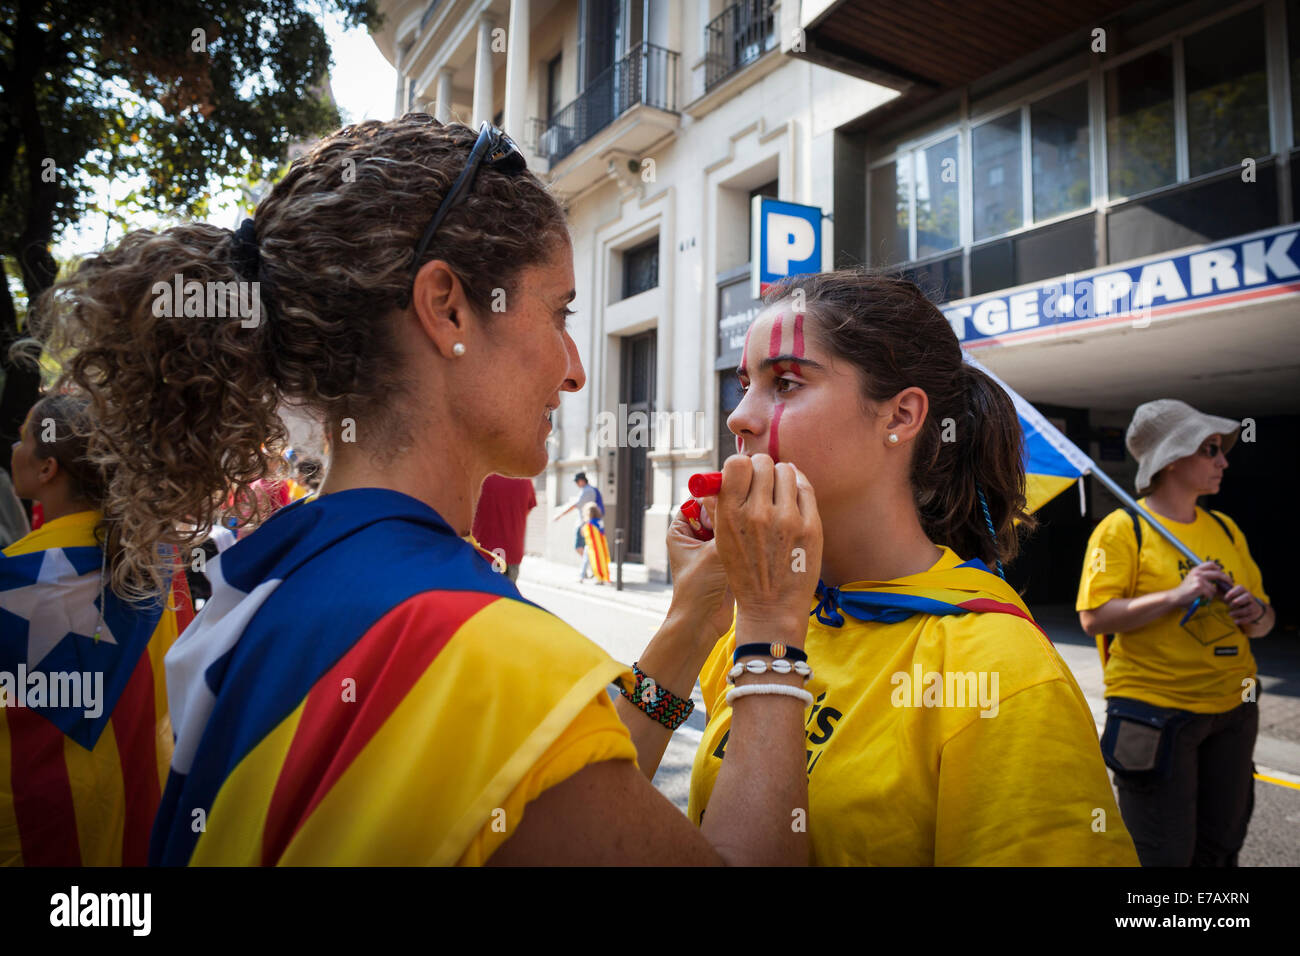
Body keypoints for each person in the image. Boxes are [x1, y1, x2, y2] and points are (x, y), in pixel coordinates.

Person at [31, 115, 820, 866]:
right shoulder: (473, 645)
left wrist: (688, 624)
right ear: (447, 309)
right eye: (559, 312)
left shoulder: (273, 575)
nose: (574, 368)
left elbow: (538, 788)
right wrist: (772, 630)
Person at [635, 271, 1138, 865]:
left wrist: (768, 624)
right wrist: (692, 623)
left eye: (787, 382)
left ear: (900, 417)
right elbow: (585, 812)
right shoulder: (769, 618)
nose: (739, 418)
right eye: (744, 386)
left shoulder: (1001, 668)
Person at [1077, 399, 1273, 867]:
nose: (1224, 460)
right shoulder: (1123, 529)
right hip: (1155, 715)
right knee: (1163, 854)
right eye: (1210, 449)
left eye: (1222, 449)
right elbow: (1095, 617)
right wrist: (1177, 595)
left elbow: (1264, 623)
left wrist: (1255, 612)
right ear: (1170, 457)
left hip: (1233, 709)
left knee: (1221, 847)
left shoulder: (1225, 528)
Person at [0, 395, 191, 865]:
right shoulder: (163, 559)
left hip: (39, 818)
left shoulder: (8, 575)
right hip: (145, 795)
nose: (12, 448)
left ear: (48, 469)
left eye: (23, 438)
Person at [471, 473, 536, 581]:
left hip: (483, 553)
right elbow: (527, 510)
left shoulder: (479, 476)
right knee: (506, 596)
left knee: (484, 595)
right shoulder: (524, 479)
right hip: (512, 552)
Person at [552, 471, 602, 581]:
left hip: (584, 524)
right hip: (586, 523)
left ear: (582, 481)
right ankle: (588, 570)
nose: (576, 484)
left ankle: (587, 571)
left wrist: (560, 515)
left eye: (577, 481)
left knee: (581, 548)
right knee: (585, 549)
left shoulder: (587, 491)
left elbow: (575, 505)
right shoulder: (586, 490)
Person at [579, 501, 611, 585]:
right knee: (597, 562)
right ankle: (597, 577)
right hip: (600, 546)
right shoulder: (600, 521)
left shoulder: (590, 523)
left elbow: (584, 533)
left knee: (588, 561)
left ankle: (582, 577)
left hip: (591, 546)